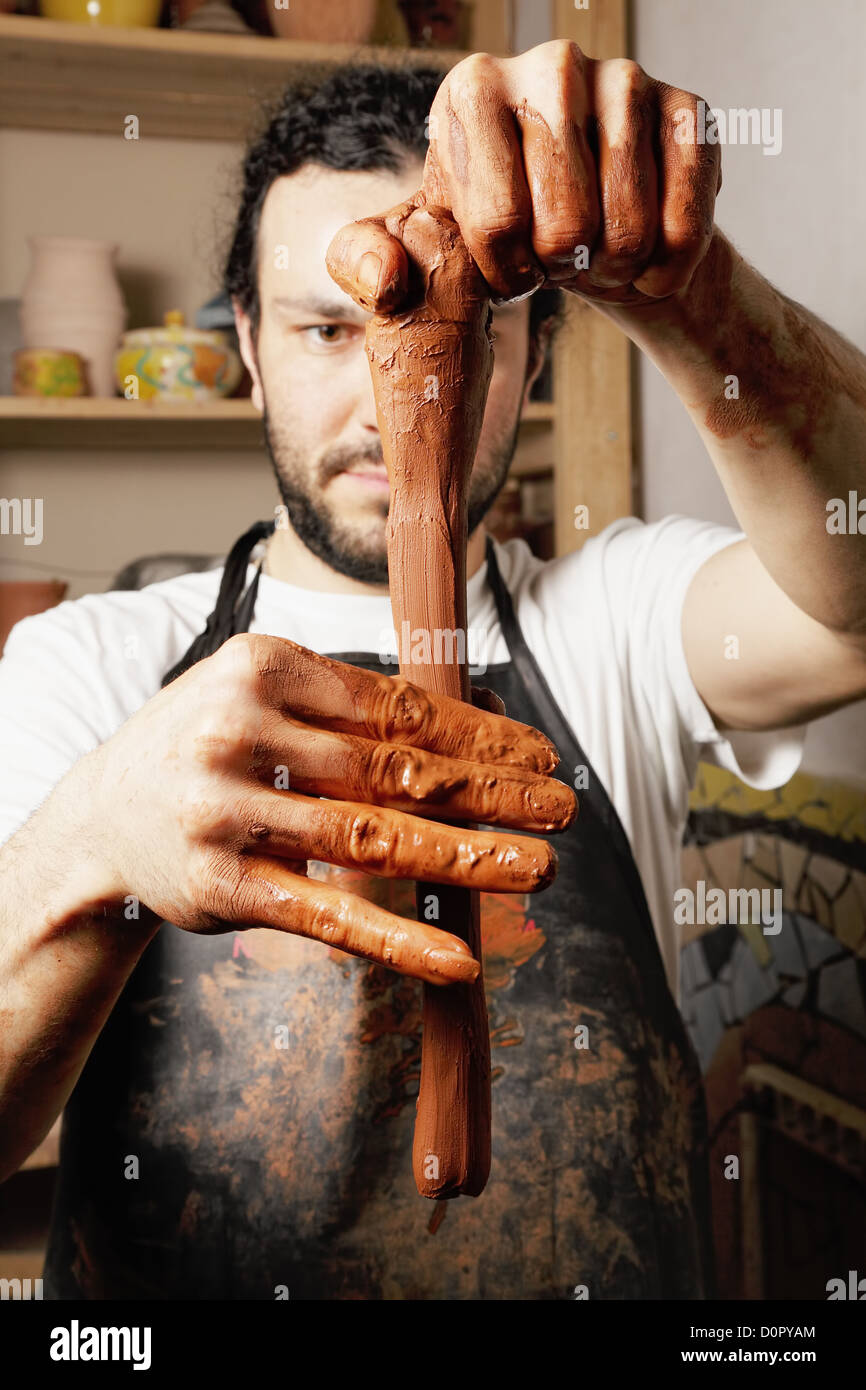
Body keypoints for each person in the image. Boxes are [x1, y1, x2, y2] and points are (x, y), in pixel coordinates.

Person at [1, 45, 865, 1301]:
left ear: (540, 352)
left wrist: (688, 287)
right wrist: (96, 842)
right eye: (323, 328)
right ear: (244, 338)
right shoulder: (94, 663)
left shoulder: (614, 623)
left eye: (470, 329)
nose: (382, 390)